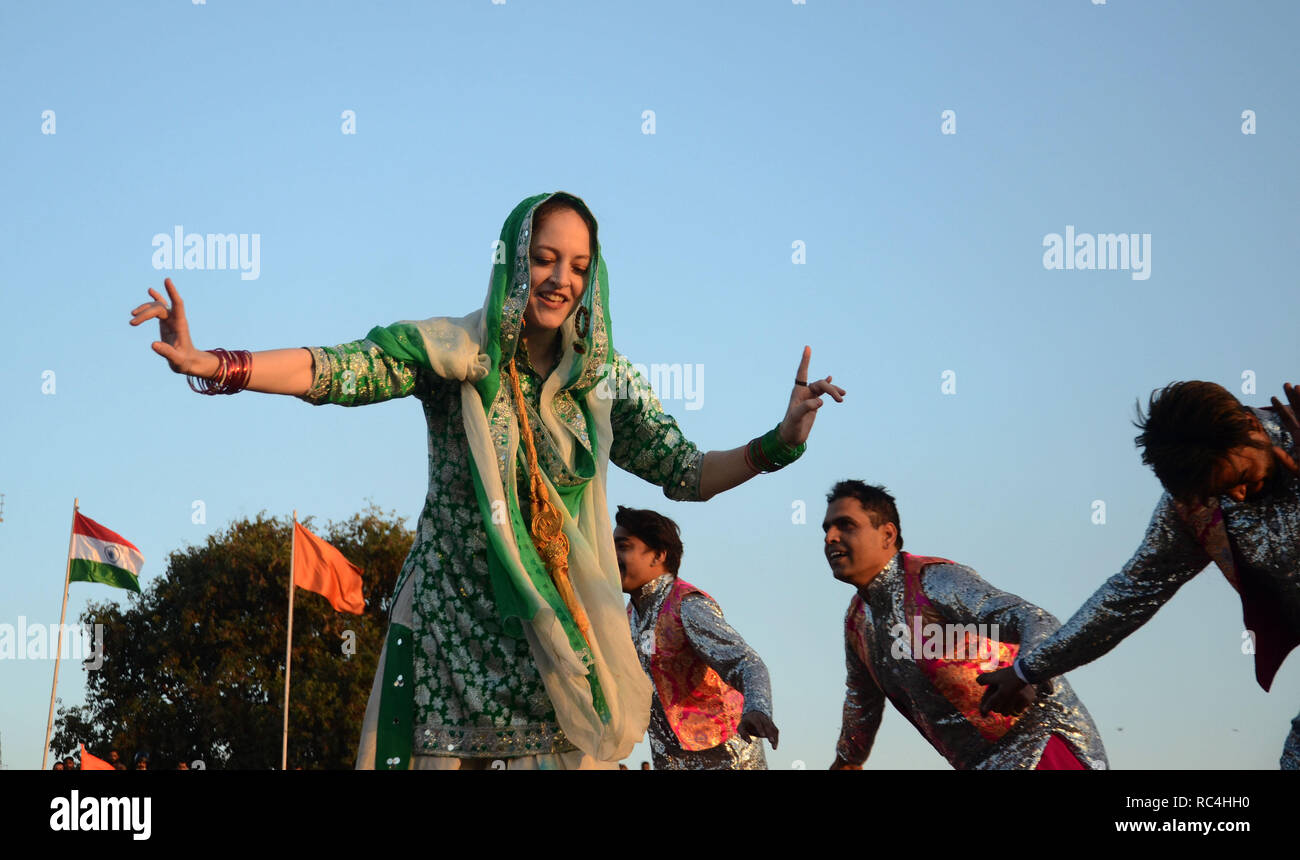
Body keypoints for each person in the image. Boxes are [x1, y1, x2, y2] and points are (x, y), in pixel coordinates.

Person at [131, 192, 845, 770]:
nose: (559, 279)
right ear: (513, 262)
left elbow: (686, 473)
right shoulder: (453, 354)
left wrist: (779, 443)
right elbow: (336, 369)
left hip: (554, 635)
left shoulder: (602, 384)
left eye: (576, 264)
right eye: (543, 259)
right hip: (446, 627)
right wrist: (217, 365)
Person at [979, 381, 1300, 768]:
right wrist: (1028, 669)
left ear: (1251, 426)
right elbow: (1129, 596)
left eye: (1240, 478)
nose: (1239, 497)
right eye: (1222, 491)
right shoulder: (1193, 506)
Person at [823, 481, 1108, 770]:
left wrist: (1027, 673)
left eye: (845, 525)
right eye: (826, 529)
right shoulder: (856, 621)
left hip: (1041, 749)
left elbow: (1035, 618)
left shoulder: (933, 580)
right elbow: (862, 702)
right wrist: (846, 762)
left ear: (887, 534)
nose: (830, 537)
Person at [615, 506, 778, 769]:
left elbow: (746, 662)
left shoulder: (687, 606)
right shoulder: (628, 616)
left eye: (622, 547)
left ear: (658, 555)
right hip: (669, 759)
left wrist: (757, 709)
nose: (610, 556)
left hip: (726, 757)